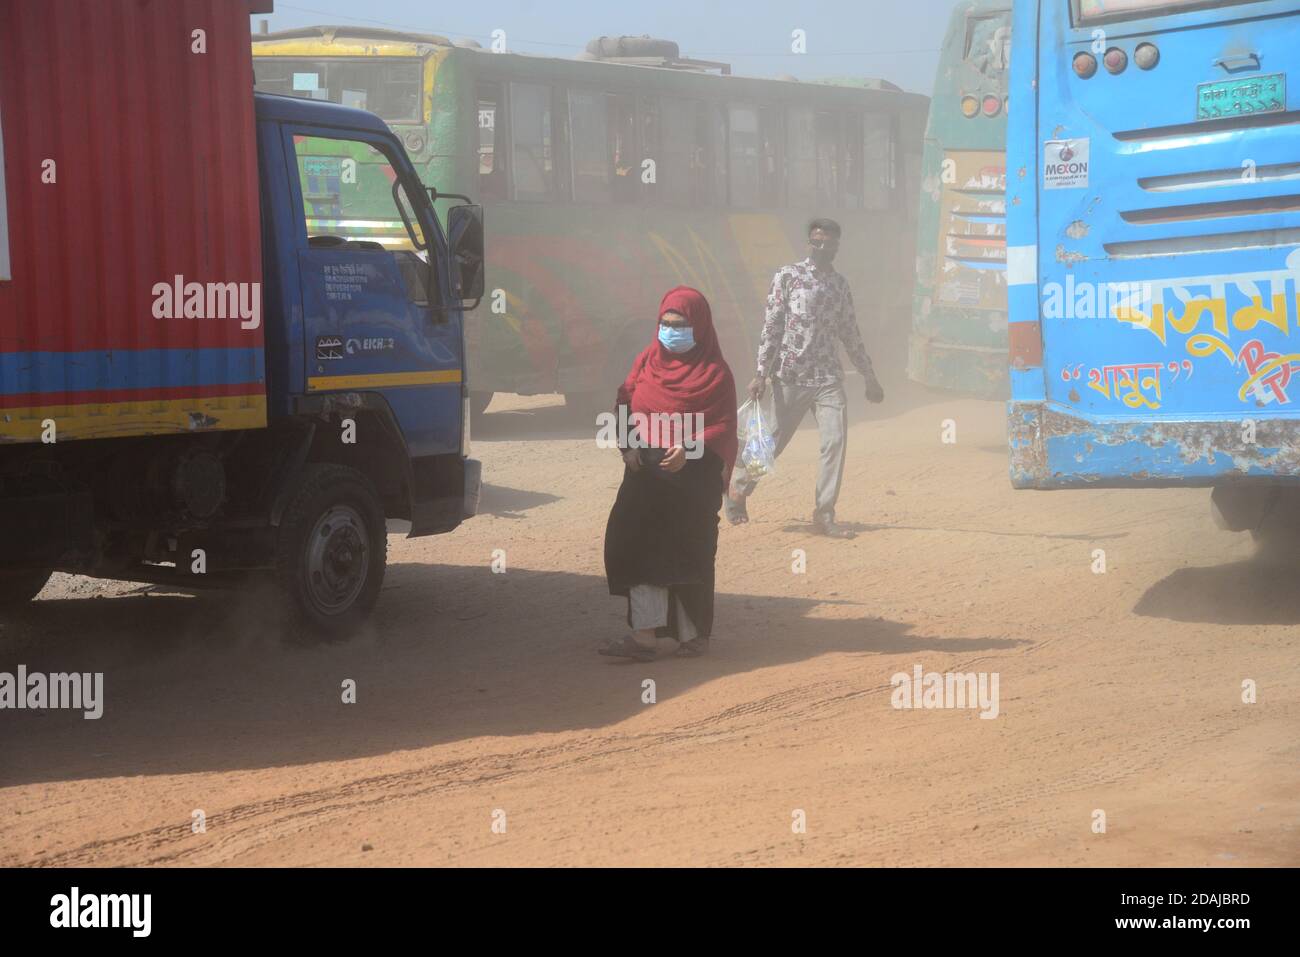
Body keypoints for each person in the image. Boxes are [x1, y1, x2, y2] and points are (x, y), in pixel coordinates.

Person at [601, 287, 738, 662]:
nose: (670, 331)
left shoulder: (716, 373)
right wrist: (627, 445)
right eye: (665, 323)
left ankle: (692, 636)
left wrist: (689, 448)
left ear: (699, 327)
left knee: (687, 551)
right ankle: (646, 637)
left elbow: (724, 425)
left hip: (691, 482)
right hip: (646, 473)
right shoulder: (647, 359)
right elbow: (626, 399)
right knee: (635, 545)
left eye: (680, 325)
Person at [726, 218, 885, 539]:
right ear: (809, 243)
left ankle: (824, 513)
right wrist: (760, 373)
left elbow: (850, 333)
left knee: (834, 443)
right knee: (771, 442)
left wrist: (870, 376)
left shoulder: (839, 285)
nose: (823, 248)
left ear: (838, 246)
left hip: (828, 379)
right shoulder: (788, 277)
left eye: (830, 243)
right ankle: (739, 489)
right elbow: (772, 327)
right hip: (790, 376)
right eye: (818, 242)